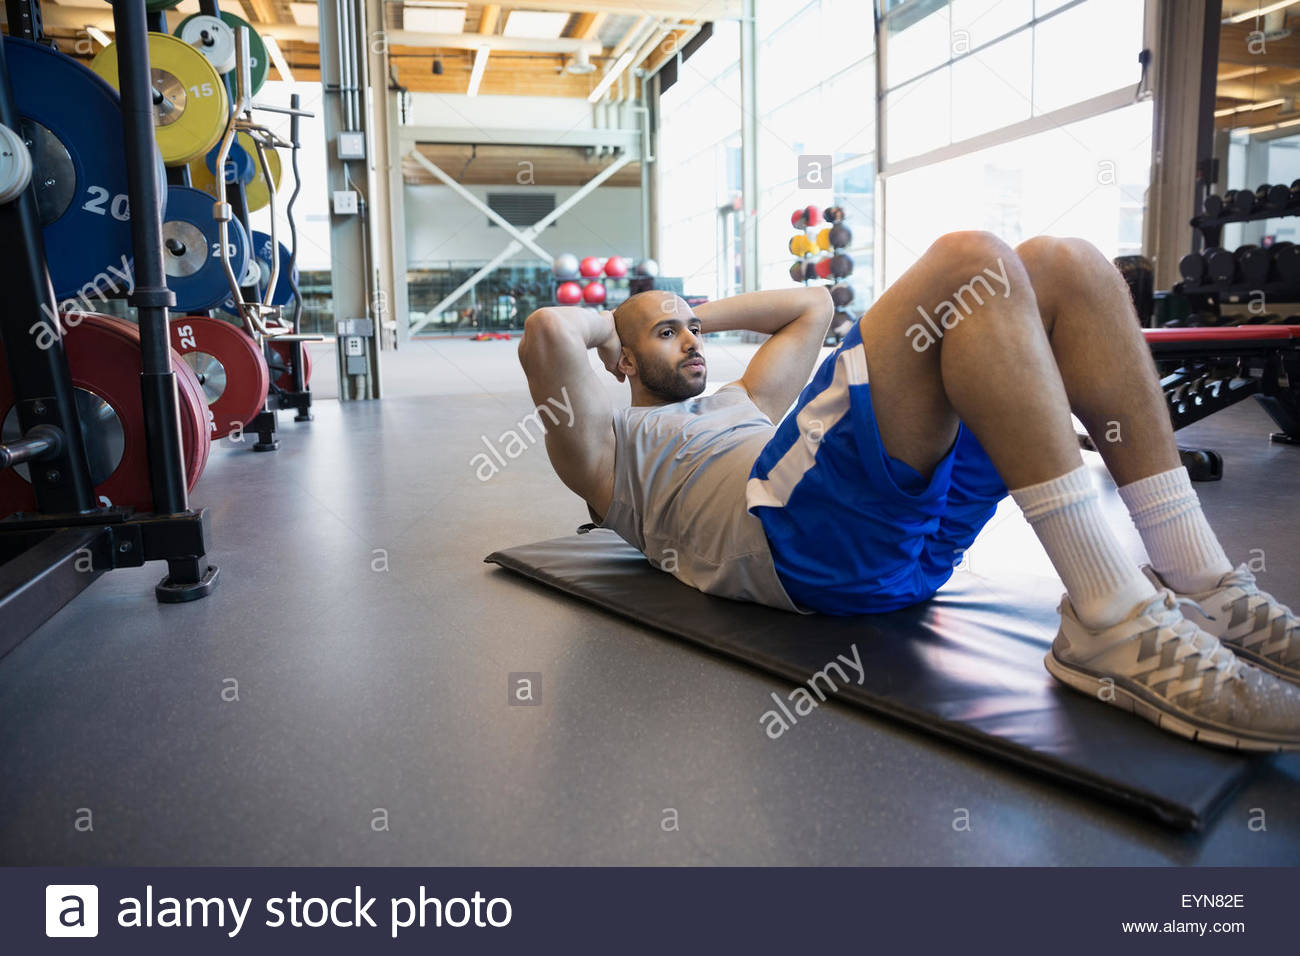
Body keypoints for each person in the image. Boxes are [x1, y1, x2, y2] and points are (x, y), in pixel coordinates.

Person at [517, 233, 1300, 751]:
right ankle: (1110, 617)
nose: (691, 341)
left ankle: (1204, 581)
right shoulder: (610, 459)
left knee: (1064, 263)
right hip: (795, 538)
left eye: (692, 330)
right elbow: (551, 332)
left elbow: (812, 305)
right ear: (621, 362)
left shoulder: (742, 398)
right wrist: (627, 321)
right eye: (667, 336)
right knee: (968, 261)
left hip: (907, 548)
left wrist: (684, 312)